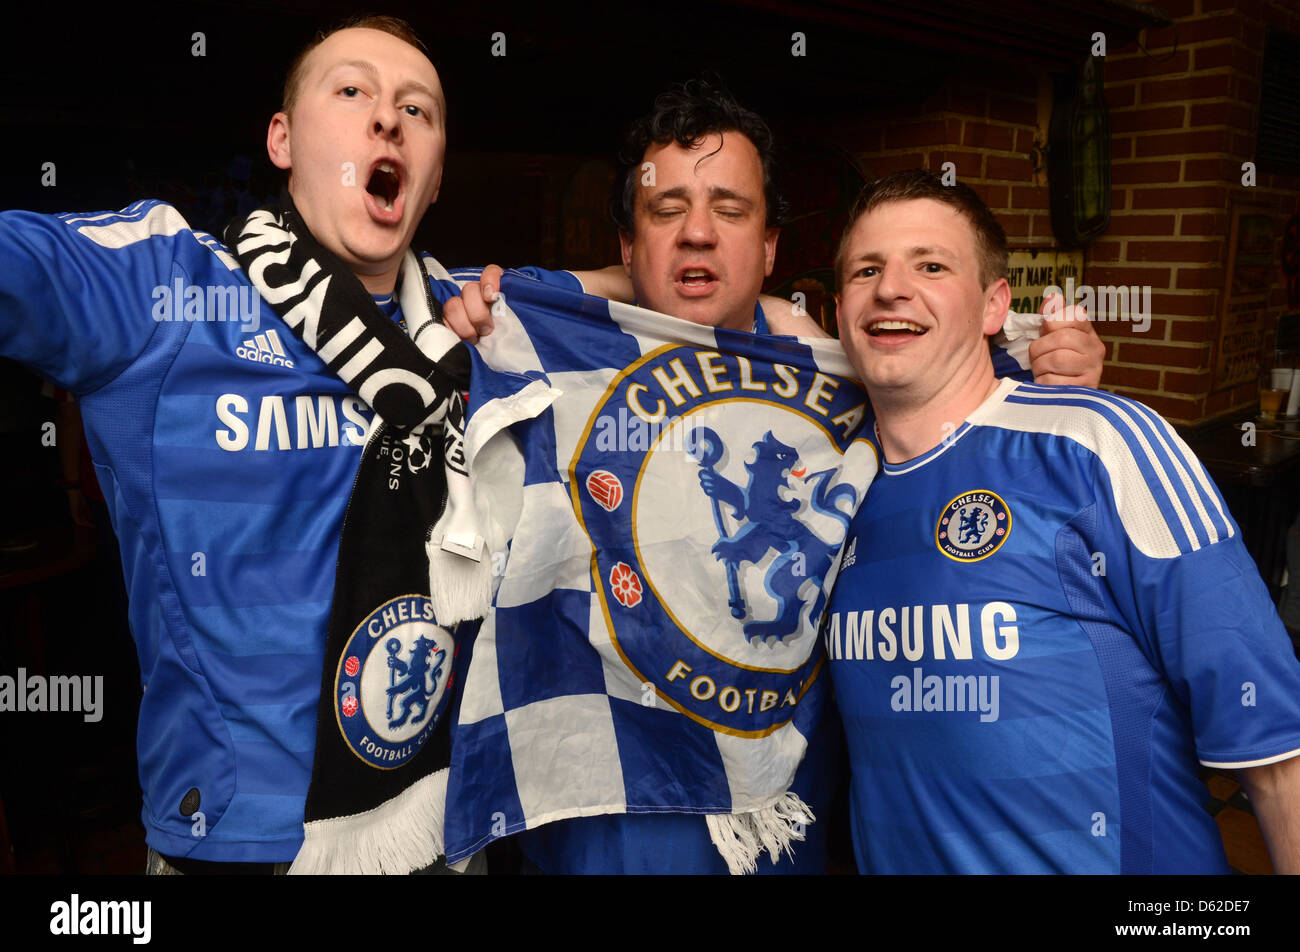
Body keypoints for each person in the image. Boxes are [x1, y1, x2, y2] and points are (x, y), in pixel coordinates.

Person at [442, 80, 1105, 873]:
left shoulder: (845, 369)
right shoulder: (541, 343)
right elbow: (420, 289)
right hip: (607, 813)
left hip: (782, 815)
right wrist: (580, 295)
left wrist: (1061, 369)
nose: (697, 233)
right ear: (625, 245)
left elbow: (968, 365)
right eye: (665, 211)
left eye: (730, 210)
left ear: (769, 248)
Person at [0, 16, 475, 873]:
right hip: (239, 842)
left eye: (419, 109)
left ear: (433, 180)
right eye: (352, 91)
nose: (388, 119)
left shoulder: (470, 322)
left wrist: (770, 325)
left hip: (440, 824)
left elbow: (623, 297)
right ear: (282, 140)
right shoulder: (170, 285)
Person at [822, 168, 1300, 874]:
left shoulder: (1097, 441)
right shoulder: (832, 494)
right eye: (868, 269)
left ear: (994, 308)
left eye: (930, 265)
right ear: (837, 313)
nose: (891, 287)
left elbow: (1277, 753)